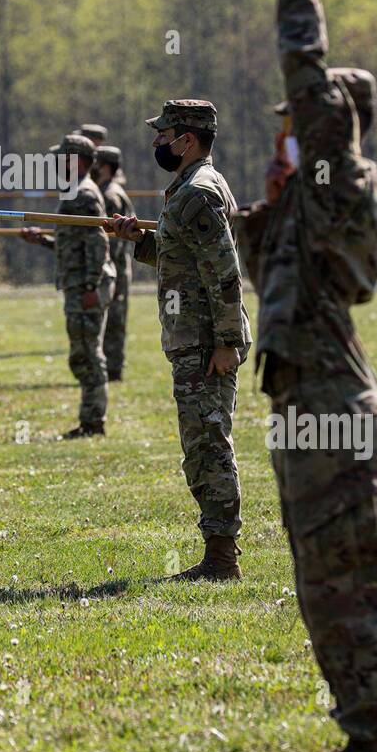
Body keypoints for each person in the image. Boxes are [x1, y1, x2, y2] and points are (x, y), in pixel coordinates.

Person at [234, 0, 377, 752]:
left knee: (345, 586)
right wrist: (264, 210)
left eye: (294, 125)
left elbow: (309, 79)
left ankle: (372, 746)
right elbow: (263, 275)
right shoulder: (310, 200)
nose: (283, 134)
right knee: (318, 583)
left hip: (333, 410)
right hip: (302, 408)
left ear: (331, 123)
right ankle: (358, 736)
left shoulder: (340, 177)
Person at [112, 101, 251, 581]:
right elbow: (184, 257)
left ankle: (221, 559)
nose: (156, 143)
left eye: (163, 134)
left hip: (208, 340)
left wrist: (228, 341)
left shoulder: (198, 192)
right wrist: (139, 240)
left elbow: (226, 273)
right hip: (192, 338)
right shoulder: (190, 189)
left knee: (208, 444)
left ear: (186, 139)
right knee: (200, 443)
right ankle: (218, 553)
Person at [21, 134, 116, 437]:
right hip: (78, 284)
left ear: (78, 161)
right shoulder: (73, 192)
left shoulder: (84, 194)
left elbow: (98, 243)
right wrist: (43, 240)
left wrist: (91, 286)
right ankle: (90, 419)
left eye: (62, 158)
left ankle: (93, 421)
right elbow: (73, 244)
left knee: (88, 354)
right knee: (82, 353)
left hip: (86, 286)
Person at [92, 145, 133, 381]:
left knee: (113, 321)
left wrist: (108, 271)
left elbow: (112, 240)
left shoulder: (109, 195)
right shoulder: (110, 190)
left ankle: (112, 370)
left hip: (114, 267)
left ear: (105, 167)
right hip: (117, 266)